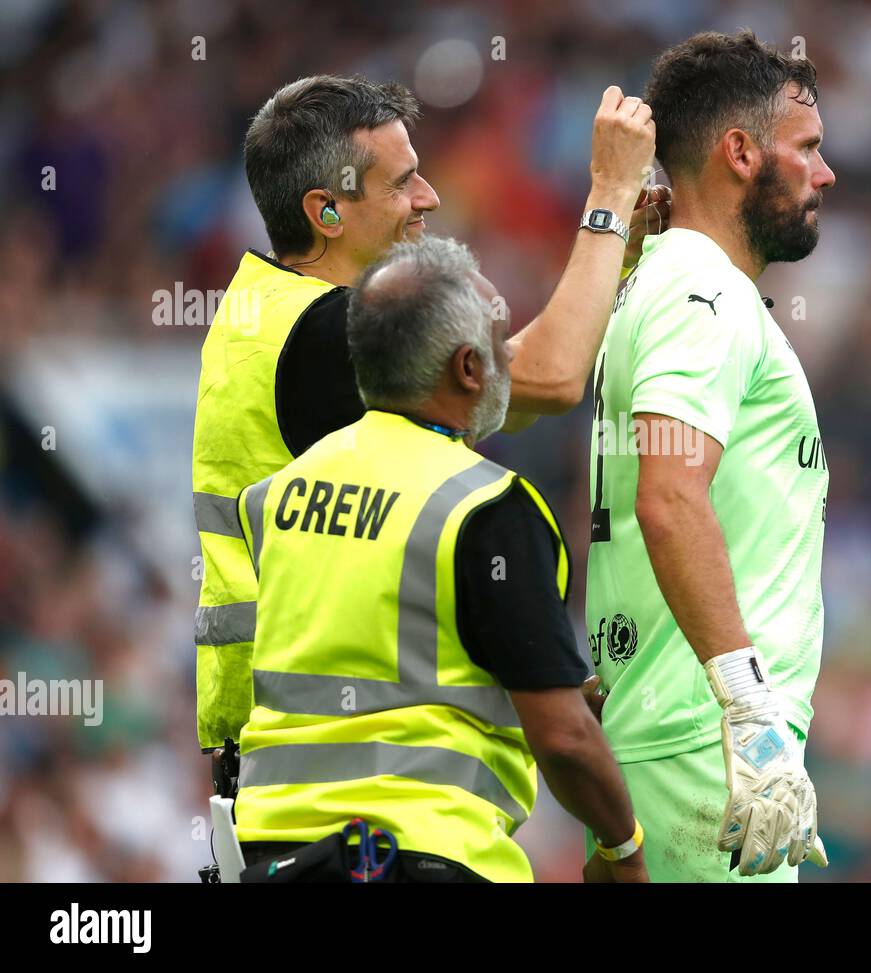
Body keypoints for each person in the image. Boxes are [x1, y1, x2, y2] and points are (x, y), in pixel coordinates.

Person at [193, 74, 662, 754]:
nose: (429, 198)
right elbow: (554, 378)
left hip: (288, 735)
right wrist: (610, 198)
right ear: (326, 211)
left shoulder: (269, 314)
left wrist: (614, 256)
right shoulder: (326, 335)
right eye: (401, 183)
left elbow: (506, 397)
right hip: (319, 751)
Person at [233, 236, 647, 883]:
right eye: (501, 339)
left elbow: (373, 652)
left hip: (271, 855)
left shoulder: (275, 493)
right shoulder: (490, 507)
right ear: (468, 369)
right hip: (422, 853)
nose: (513, 356)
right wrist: (625, 848)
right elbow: (564, 739)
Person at [584, 30, 835, 881]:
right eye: (807, 149)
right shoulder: (704, 291)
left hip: (673, 734)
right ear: (740, 152)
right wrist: (751, 717)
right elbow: (668, 498)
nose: (824, 173)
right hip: (706, 748)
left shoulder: (657, 281)